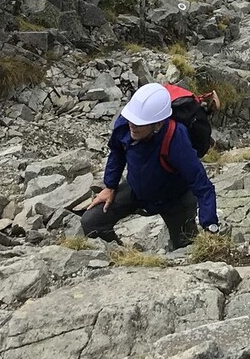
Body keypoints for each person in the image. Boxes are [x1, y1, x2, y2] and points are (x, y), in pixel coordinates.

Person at [81, 83, 220, 249]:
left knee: (185, 247)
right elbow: (117, 150)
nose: (132, 126)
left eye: (139, 123)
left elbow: (202, 186)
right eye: (132, 120)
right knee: (92, 222)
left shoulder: (176, 138)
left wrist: (210, 225)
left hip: (175, 199)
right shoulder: (127, 121)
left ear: (158, 124)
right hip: (137, 190)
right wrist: (110, 186)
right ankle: (121, 256)